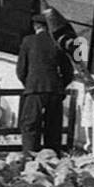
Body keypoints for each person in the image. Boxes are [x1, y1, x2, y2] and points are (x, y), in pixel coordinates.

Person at [16, 14, 74, 153]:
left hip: (34, 89)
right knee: (53, 127)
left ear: (35, 26)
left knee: (30, 125)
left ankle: (30, 156)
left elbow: (21, 70)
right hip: (55, 90)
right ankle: (52, 158)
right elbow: (68, 71)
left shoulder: (28, 41)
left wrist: (29, 84)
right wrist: (60, 86)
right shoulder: (57, 42)